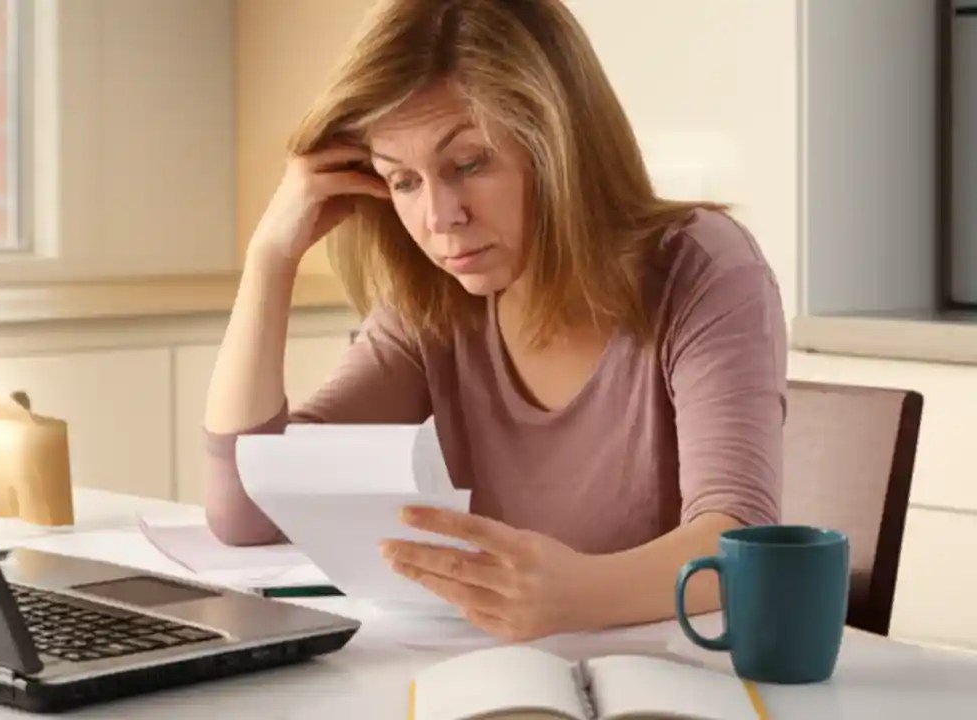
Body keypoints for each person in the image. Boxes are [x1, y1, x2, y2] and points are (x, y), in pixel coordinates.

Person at [202, 0, 786, 642]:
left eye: (470, 163)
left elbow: (740, 546)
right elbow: (247, 510)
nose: (439, 217)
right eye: (402, 181)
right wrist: (268, 261)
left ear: (560, 146)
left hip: (673, 683)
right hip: (495, 680)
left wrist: (575, 594)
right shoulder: (433, 300)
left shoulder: (701, 266)